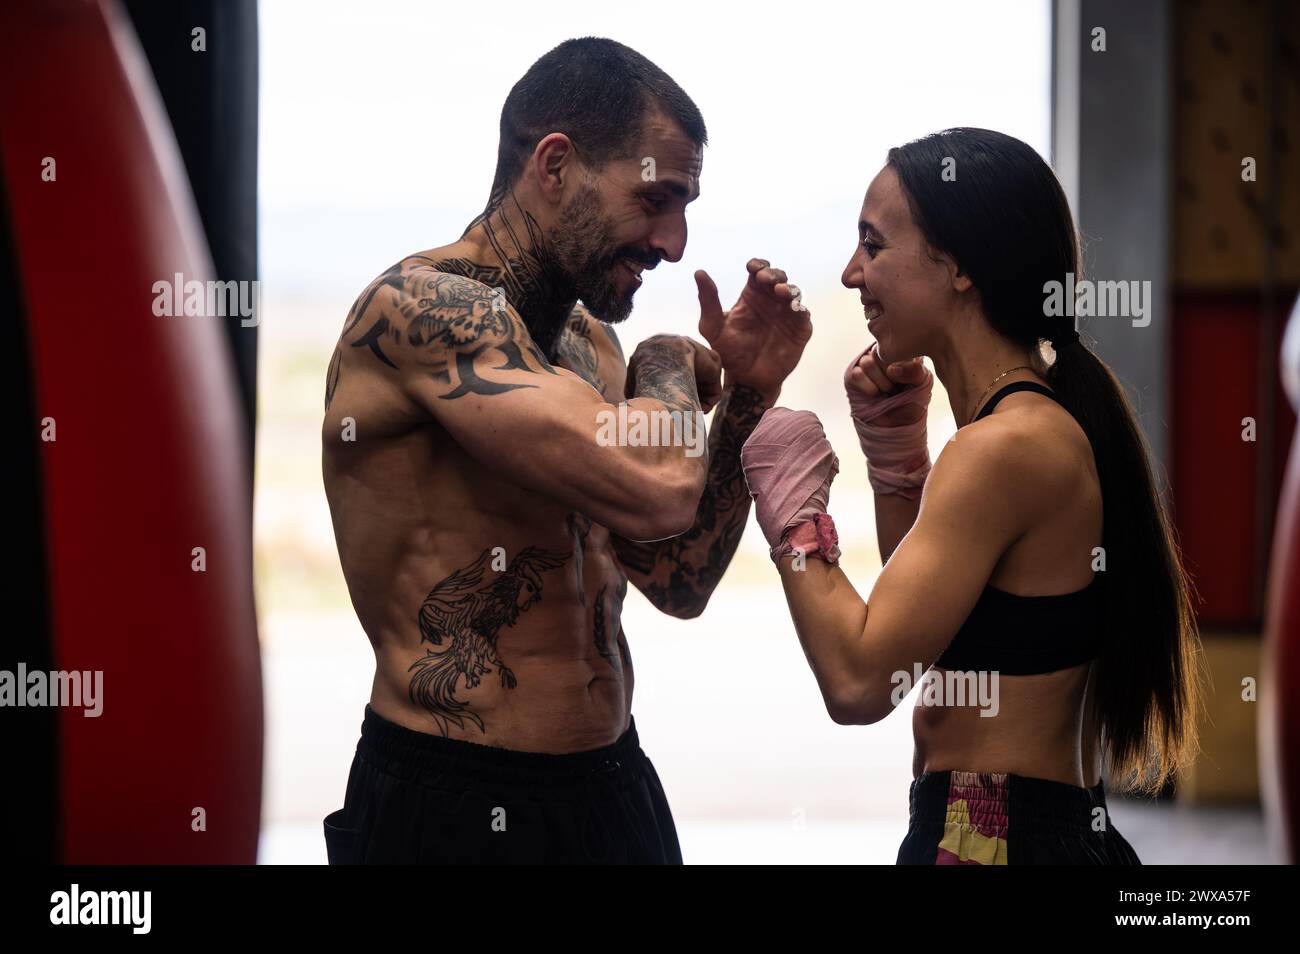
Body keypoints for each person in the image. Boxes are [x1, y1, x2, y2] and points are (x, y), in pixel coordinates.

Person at [320, 37, 811, 864]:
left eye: (685, 206)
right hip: (453, 796)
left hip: (610, 785)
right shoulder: (424, 311)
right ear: (555, 166)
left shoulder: (588, 346)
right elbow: (658, 483)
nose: (675, 241)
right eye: (655, 198)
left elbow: (677, 576)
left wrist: (748, 396)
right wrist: (666, 359)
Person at [740, 127, 1203, 865]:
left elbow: (861, 681)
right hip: (1007, 829)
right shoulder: (1023, 429)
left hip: (998, 834)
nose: (852, 274)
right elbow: (931, 635)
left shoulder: (1004, 448)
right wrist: (897, 465)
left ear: (956, 266)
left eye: (873, 245)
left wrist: (794, 512)